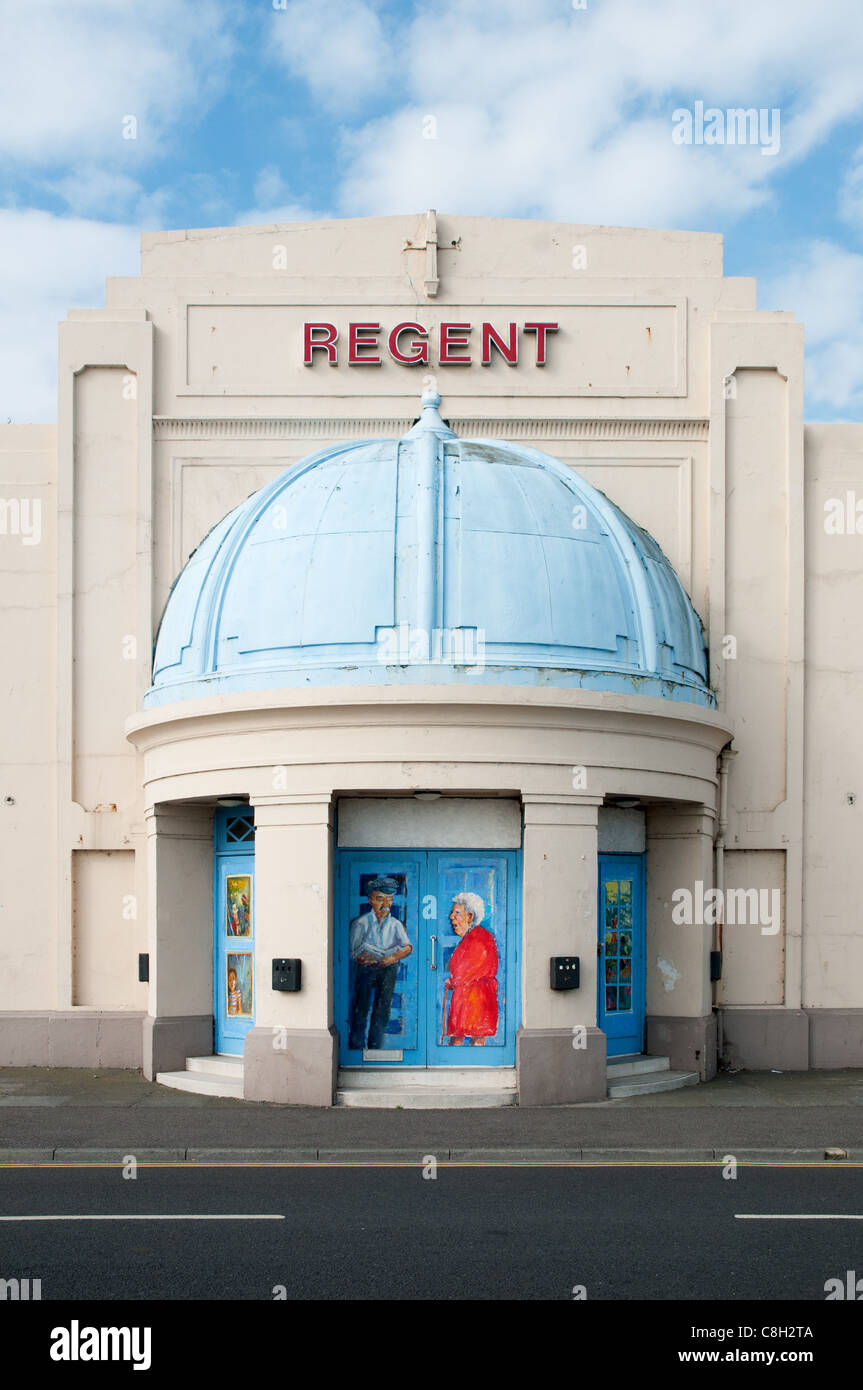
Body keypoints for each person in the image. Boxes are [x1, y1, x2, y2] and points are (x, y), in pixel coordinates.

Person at [348, 876, 412, 1050]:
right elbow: (354, 951)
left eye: (389, 899)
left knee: (382, 1012)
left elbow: (407, 947)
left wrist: (391, 958)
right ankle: (356, 1047)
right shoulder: (360, 923)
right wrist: (363, 958)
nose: (385, 904)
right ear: (370, 899)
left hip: (388, 970)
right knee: (360, 1010)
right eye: (380, 899)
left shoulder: (395, 924)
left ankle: (375, 1047)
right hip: (366, 970)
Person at [444, 892, 498, 1045]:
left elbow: (470, 967)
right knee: (465, 1037)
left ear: (469, 916)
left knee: (471, 1038)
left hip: (476, 998)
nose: (451, 917)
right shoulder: (470, 937)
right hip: (468, 997)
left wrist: (453, 980)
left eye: (457, 913)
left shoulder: (480, 938)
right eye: (452, 913)